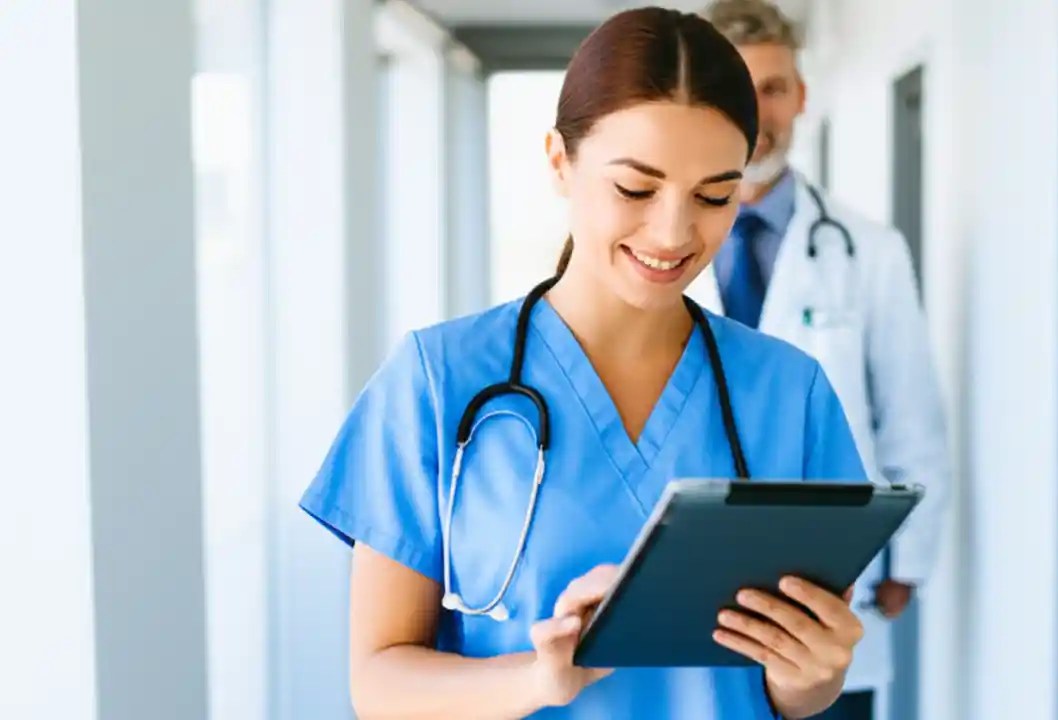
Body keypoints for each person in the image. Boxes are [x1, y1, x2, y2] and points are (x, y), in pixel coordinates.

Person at [299, 8, 874, 719]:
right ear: (558, 162)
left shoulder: (790, 393)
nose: (673, 232)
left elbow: (797, 695)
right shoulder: (436, 381)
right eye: (635, 188)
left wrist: (812, 675)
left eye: (714, 195)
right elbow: (379, 684)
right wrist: (536, 681)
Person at [695, 2, 953, 718]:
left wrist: (905, 564)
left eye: (773, 87)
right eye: (734, 87)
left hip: (829, 583)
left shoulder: (867, 249)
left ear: (802, 96)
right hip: (691, 579)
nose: (757, 110)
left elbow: (910, 413)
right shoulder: (661, 246)